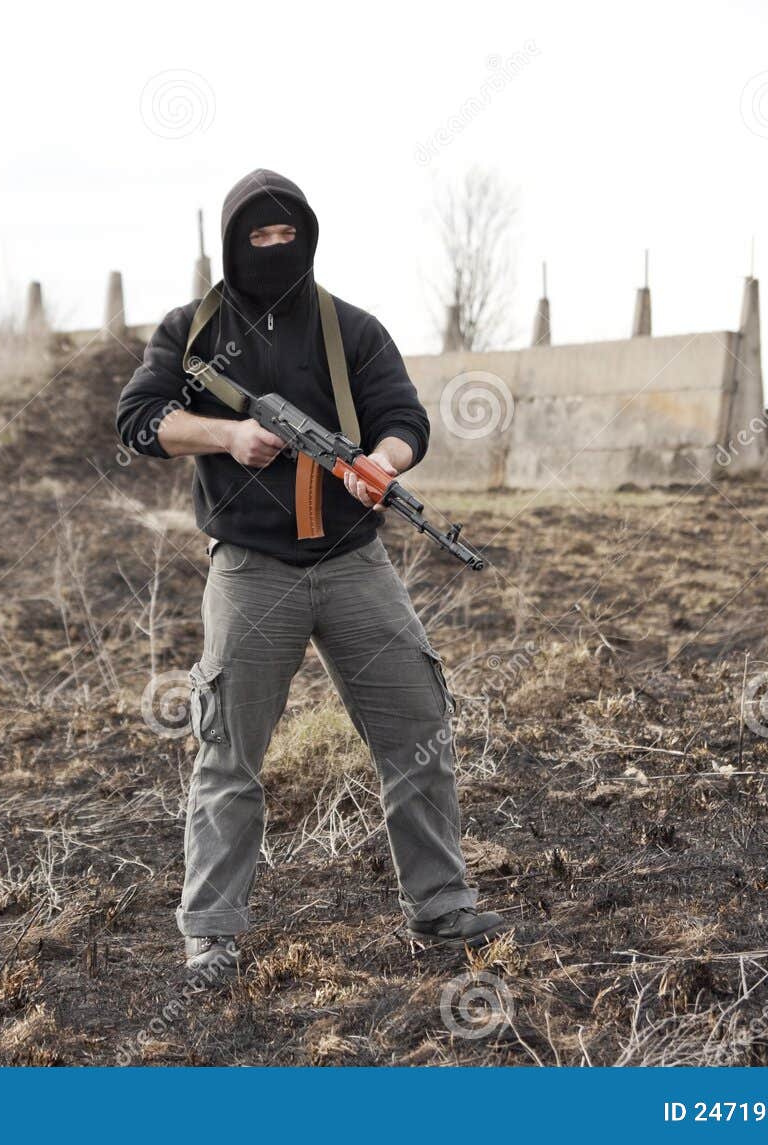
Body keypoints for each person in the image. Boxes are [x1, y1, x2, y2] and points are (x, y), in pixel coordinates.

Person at [116, 169, 505, 981]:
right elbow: (141, 419)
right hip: (252, 569)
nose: (271, 249)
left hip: (354, 558)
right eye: (254, 238)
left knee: (419, 727)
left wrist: (379, 464)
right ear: (230, 245)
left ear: (309, 238)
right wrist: (227, 438)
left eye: (284, 235)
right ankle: (212, 932)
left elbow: (405, 418)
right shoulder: (192, 333)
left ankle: (441, 906)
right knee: (228, 752)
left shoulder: (351, 329)